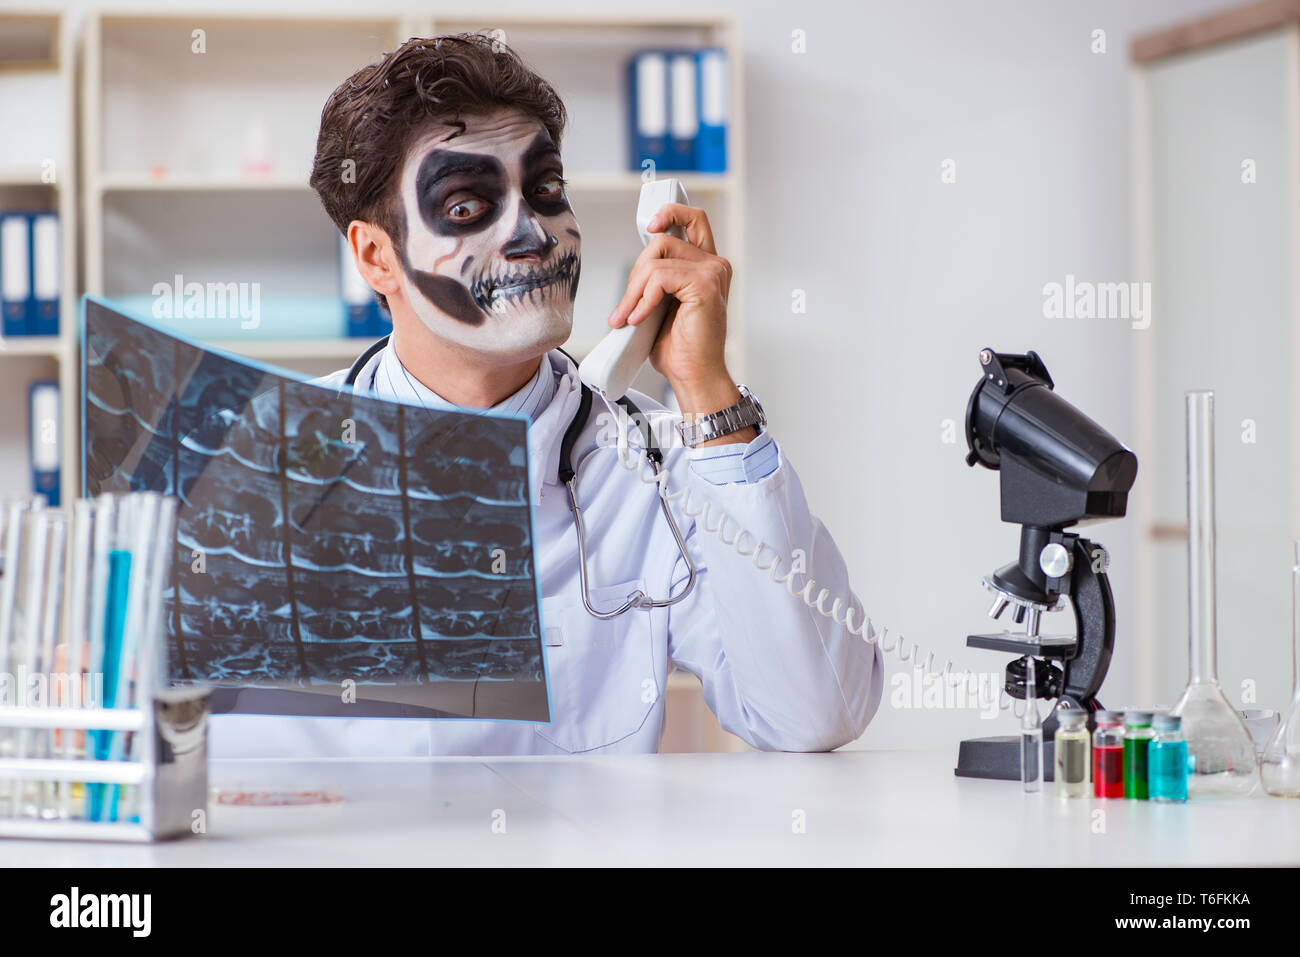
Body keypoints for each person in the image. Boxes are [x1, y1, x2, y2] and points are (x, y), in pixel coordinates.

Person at [210, 34, 882, 757]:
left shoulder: (652, 463)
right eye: (467, 205)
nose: (532, 231)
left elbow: (815, 715)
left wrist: (705, 387)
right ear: (377, 256)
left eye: (546, 190)